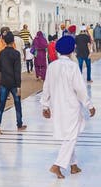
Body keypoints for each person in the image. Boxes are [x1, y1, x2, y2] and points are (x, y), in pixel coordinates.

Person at [41, 34, 96, 178]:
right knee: (71, 136)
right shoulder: (72, 66)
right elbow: (80, 89)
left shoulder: (52, 66)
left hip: (57, 106)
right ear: (72, 50)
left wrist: (45, 106)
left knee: (69, 134)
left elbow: (46, 86)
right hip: (71, 106)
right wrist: (89, 105)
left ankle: (73, 165)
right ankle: (57, 165)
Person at [0, 31, 27, 135]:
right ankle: (19, 124)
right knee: (17, 103)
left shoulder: (2, 53)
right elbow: (17, 71)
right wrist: (19, 86)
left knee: (1, 104)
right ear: (13, 41)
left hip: (4, 82)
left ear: (4, 41)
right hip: (13, 82)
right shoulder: (16, 54)